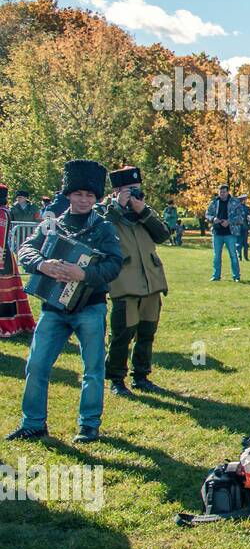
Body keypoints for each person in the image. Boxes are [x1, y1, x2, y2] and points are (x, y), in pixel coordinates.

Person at [8, 160, 123, 444]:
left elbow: (114, 265)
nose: (83, 200)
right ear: (68, 195)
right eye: (78, 194)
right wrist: (42, 264)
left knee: (93, 370)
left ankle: (88, 425)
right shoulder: (52, 226)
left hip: (91, 307)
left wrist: (82, 273)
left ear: (96, 198)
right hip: (53, 309)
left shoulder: (104, 229)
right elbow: (25, 250)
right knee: (36, 365)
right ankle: (33, 423)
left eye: (89, 195)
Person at [100, 166, 171, 397]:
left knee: (147, 330)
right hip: (124, 281)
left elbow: (163, 234)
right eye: (131, 191)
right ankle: (116, 379)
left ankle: (141, 376)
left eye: (138, 190)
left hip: (151, 280)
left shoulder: (143, 212)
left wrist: (143, 211)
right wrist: (119, 207)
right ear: (117, 191)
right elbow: (99, 231)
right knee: (123, 332)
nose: (136, 195)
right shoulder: (106, 212)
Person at [0, 185, 37, 337]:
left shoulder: (1, 213)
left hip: (2, 256)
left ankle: (7, 325)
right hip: (5, 255)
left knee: (5, 294)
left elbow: (1, 238)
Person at [205, 184, 246, 282]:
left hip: (230, 233)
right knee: (216, 256)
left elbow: (241, 216)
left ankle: (236, 276)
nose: (222, 194)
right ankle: (216, 276)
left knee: (233, 255)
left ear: (228, 192)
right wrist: (213, 219)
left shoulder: (235, 202)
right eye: (220, 192)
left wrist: (229, 221)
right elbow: (207, 214)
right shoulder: (214, 202)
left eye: (224, 192)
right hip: (217, 232)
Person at [236, 194, 250, 260]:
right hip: (244, 227)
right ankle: (245, 257)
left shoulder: (236, 208)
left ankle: (240, 256)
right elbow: (249, 218)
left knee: (239, 242)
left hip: (239, 227)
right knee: (244, 242)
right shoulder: (246, 208)